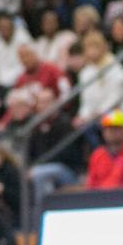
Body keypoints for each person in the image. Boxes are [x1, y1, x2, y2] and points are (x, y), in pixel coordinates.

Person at [26, 88, 87, 218]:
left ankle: (41, 216)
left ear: (55, 103)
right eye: (41, 102)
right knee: (36, 175)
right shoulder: (35, 127)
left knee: (40, 173)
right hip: (45, 170)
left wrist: (38, 167)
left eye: (47, 102)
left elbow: (67, 155)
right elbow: (30, 154)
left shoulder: (65, 123)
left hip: (68, 171)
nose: (44, 106)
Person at [85, 110, 123, 189]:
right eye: (108, 128)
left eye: (117, 128)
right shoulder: (97, 155)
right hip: (99, 198)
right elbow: (91, 185)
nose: (112, 131)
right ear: (103, 132)